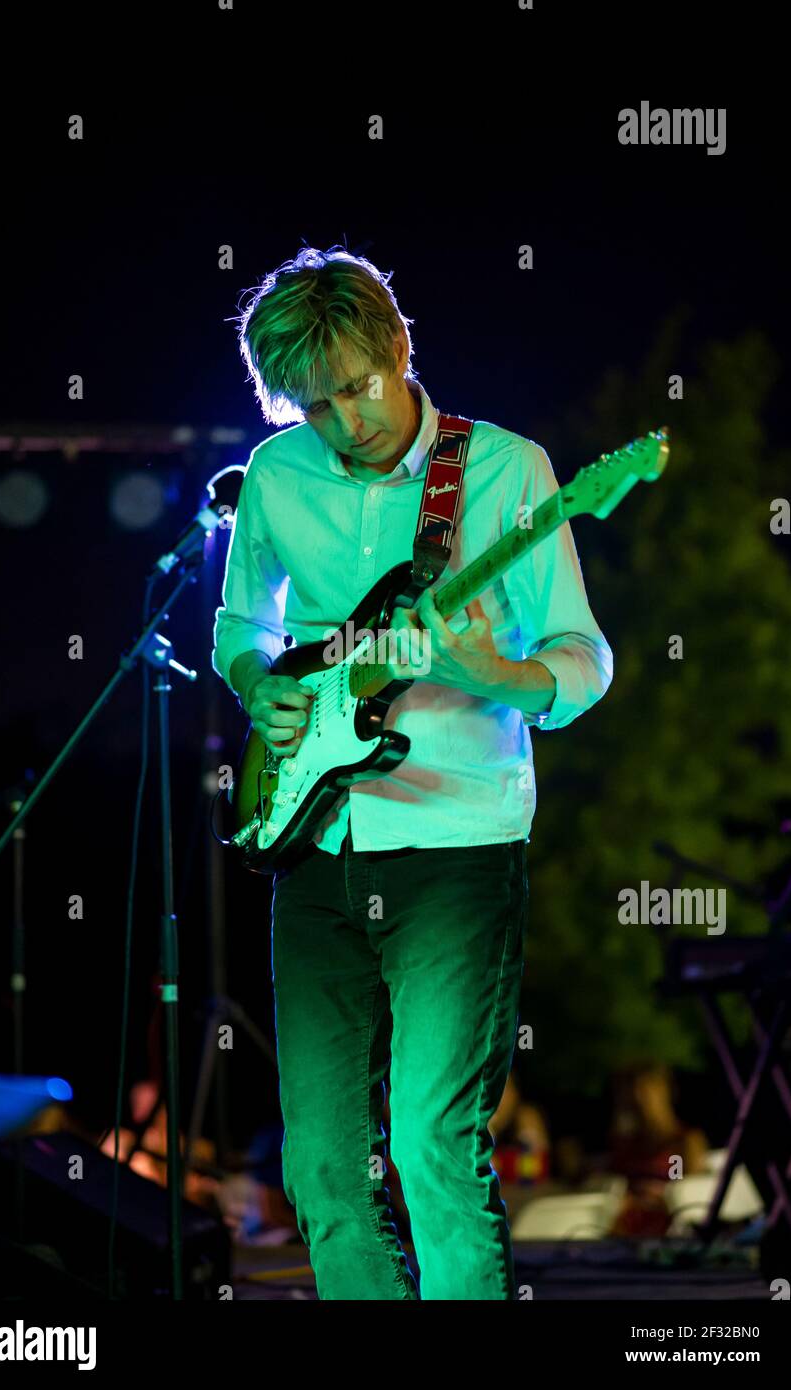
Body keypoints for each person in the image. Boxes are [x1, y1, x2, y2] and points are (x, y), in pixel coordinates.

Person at [212, 245, 613, 1299]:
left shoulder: (506, 470)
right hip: (314, 844)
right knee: (322, 1164)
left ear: (398, 346)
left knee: (434, 1144)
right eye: (313, 405)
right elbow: (237, 623)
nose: (345, 422)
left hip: (458, 844)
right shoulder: (272, 476)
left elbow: (583, 661)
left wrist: (498, 670)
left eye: (356, 388)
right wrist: (261, 686)